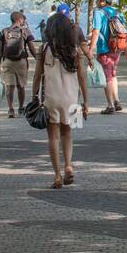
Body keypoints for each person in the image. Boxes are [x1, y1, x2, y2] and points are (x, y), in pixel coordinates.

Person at [32, 12, 89, 188]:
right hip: (72, 97)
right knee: (68, 133)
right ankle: (69, 166)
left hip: (51, 98)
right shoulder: (75, 50)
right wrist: (86, 102)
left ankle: (57, 175)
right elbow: (82, 78)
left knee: (53, 137)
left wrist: (34, 96)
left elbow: (37, 76)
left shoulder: (44, 49)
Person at [0, 10, 38, 118]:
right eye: (23, 19)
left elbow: (0, 51)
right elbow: (32, 49)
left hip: (7, 62)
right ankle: (21, 107)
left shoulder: (4, 31)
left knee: (10, 86)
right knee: (21, 86)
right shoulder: (25, 31)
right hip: (21, 62)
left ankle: (10, 109)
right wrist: (40, 60)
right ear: (19, 20)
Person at [92, 0, 127, 114]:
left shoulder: (99, 13)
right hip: (116, 48)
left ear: (102, 1)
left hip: (105, 49)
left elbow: (96, 31)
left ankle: (110, 105)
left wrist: (91, 48)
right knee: (113, 74)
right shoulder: (117, 12)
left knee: (107, 77)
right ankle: (117, 101)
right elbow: (124, 30)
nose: (95, 2)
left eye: (97, 0)